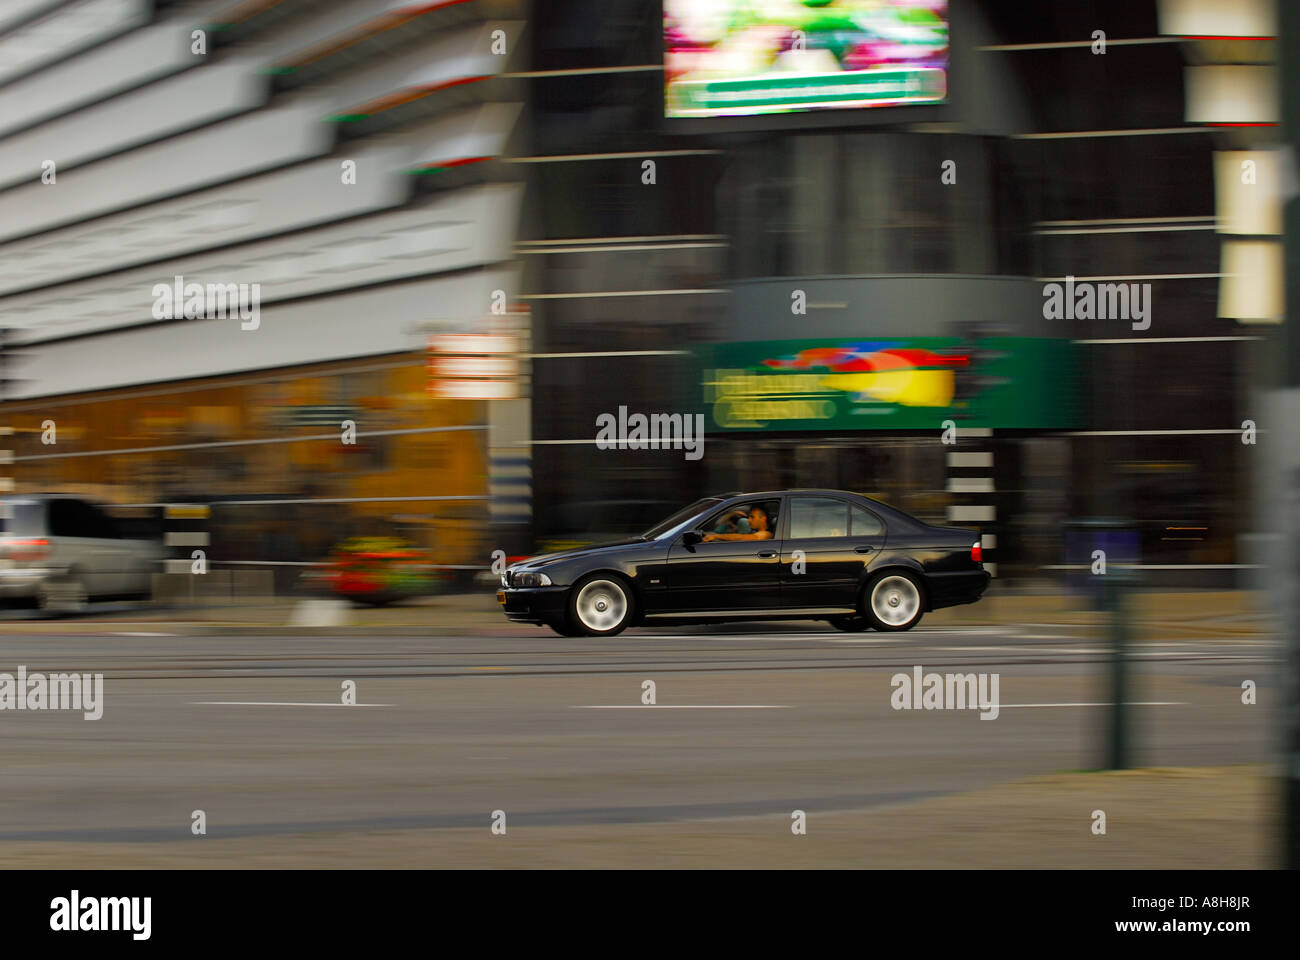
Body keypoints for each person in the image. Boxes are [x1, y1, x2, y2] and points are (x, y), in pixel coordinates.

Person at [703, 504, 772, 542]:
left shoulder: (766, 534)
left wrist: (716, 536)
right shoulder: (752, 531)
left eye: (752, 517)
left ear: (763, 518)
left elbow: (740, 538)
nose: (749, 520)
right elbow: (720, 526)